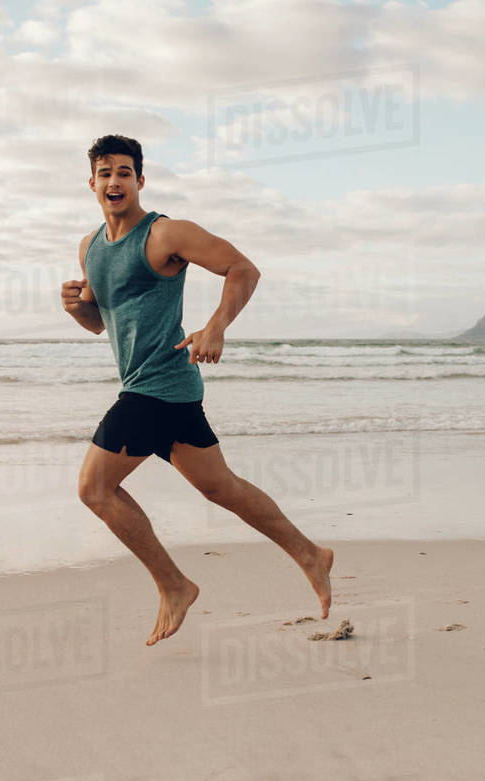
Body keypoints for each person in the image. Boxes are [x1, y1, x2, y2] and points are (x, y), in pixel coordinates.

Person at [61, 134, 334, 644]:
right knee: (219, 487)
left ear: (140, 180)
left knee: (94, 490)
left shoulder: (165, 234)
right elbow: (103, 323)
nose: (114, 181)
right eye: (105, 173)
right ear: (92, 183)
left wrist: (216, 326)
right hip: (168, 388)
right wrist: (78, 308)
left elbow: (243, 269)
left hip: (156, 386)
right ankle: (309, 554)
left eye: (124, 172)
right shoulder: (90, 247)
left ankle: (174, 585)